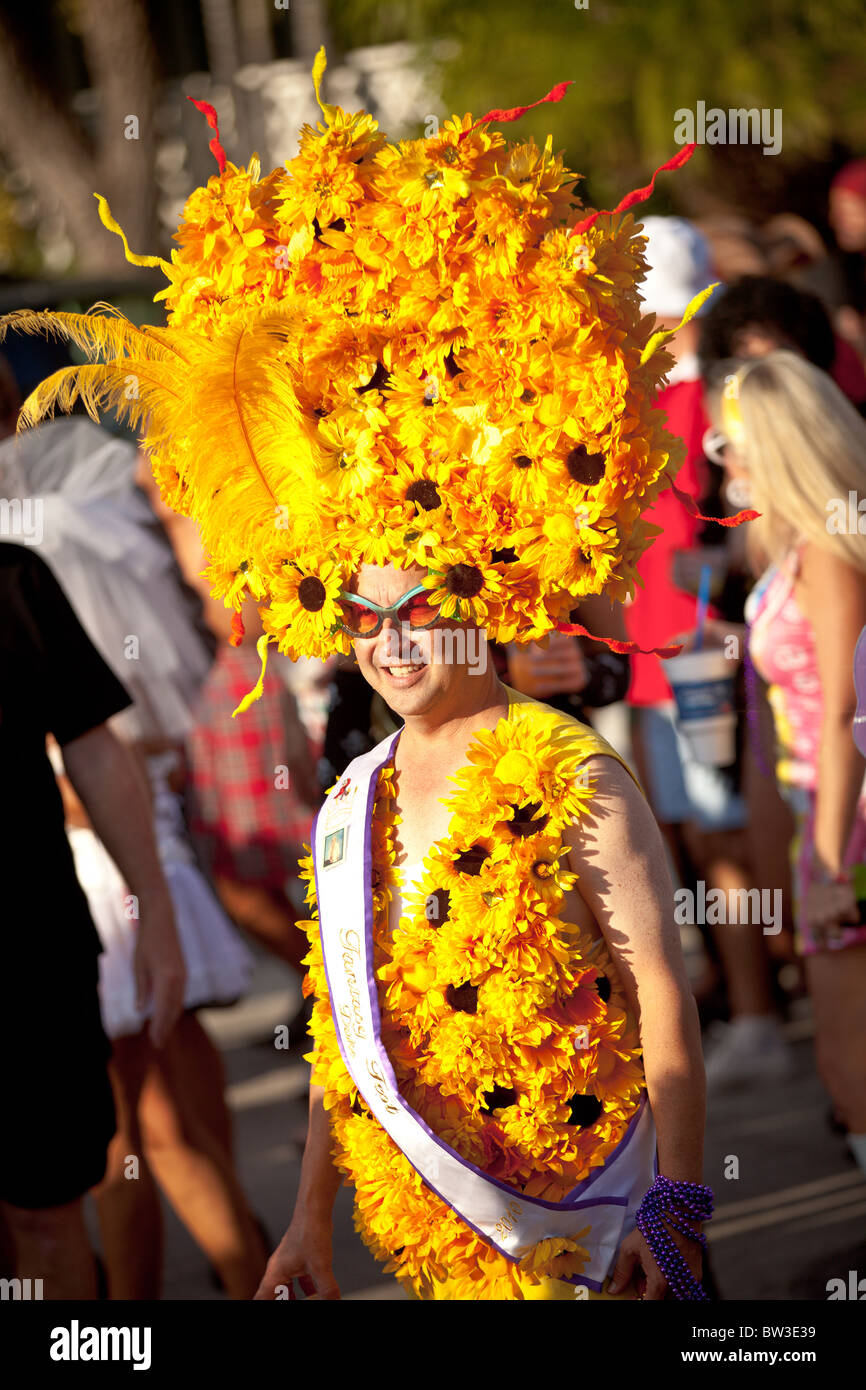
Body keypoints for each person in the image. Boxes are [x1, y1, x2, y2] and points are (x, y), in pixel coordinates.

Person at [5, 53, 717, 1301]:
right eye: (359, 616)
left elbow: (663, 993)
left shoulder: (571, 772)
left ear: (481, 608)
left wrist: (675, 1217)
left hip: (593, 1222)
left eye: (416, 613)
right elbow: (345, 1045)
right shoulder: (352, 801)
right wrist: (306, 1229)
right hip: (432, 1245)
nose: (385, 642)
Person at [0, 540, 185, 1298]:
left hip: (30, 957)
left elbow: (95, 749)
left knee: (47, 1215)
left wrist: (158, 910)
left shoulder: (14, 580)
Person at [705, 352, 866, 1177]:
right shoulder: (799, 549)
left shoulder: (832, 553)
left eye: (727, 444)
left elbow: (845, 711)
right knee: (845, 1077)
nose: (722, 463)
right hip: (821, 812)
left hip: (848, 820)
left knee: (850, 1075)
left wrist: (831, 860)